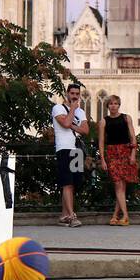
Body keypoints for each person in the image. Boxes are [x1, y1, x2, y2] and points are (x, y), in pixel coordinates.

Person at [52, 82, 89, 227]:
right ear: (67, 93)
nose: (74, 96)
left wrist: (74, 125)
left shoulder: (81, 112)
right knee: (66, 183)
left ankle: (64, 216)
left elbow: (85, 130)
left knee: (73, 184)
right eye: (72, 93)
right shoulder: (58, 108)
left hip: (77, 150)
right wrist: (72, 110)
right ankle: (72, 216)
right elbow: (65, 123)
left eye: (77, 94)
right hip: (64, 148)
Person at [98, 94, 138, 226]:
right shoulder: (104, 121)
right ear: (107, 106)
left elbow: (133, 137)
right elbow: (101, 142)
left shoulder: (126, 118)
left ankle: (115, 215)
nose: (113, 106)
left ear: (119, 105)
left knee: (122, 186)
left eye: (115, 103)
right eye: (111, 104)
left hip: (125, 152)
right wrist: (102, 159)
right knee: (118, 184)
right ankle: (125, 216)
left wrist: (133, 154)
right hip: (112, 153)